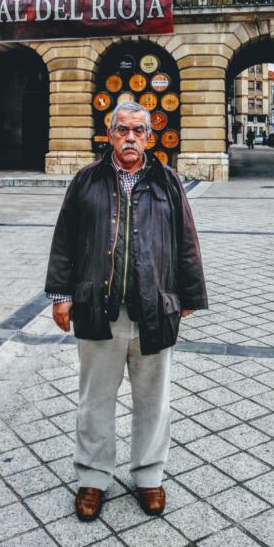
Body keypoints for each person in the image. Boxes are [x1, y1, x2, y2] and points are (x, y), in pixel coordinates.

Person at [45, 101, 207, 522]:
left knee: (153, 399)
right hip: (98, 309)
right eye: (123, 130)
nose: (130, 137)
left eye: (138, 130)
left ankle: (149, 476)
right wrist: (61, 294)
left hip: (154, 307)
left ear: (150, 137)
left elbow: (186, 239)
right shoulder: (87, 180)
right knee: (95, 400)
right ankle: (93, 479)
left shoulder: (168, 181)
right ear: (110, 135)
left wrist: (188, 293)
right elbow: (66, 239)